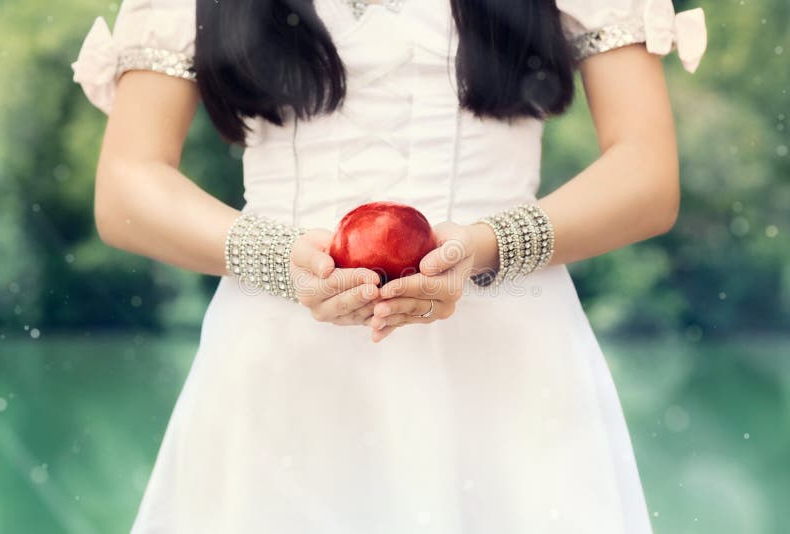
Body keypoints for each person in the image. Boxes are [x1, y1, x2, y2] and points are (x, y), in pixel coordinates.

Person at [71, 0, 707, 531]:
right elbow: (127, 185)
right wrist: (276, 259)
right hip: (279, 361)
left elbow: (646, 174)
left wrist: (482, 247)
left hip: (511, 362)